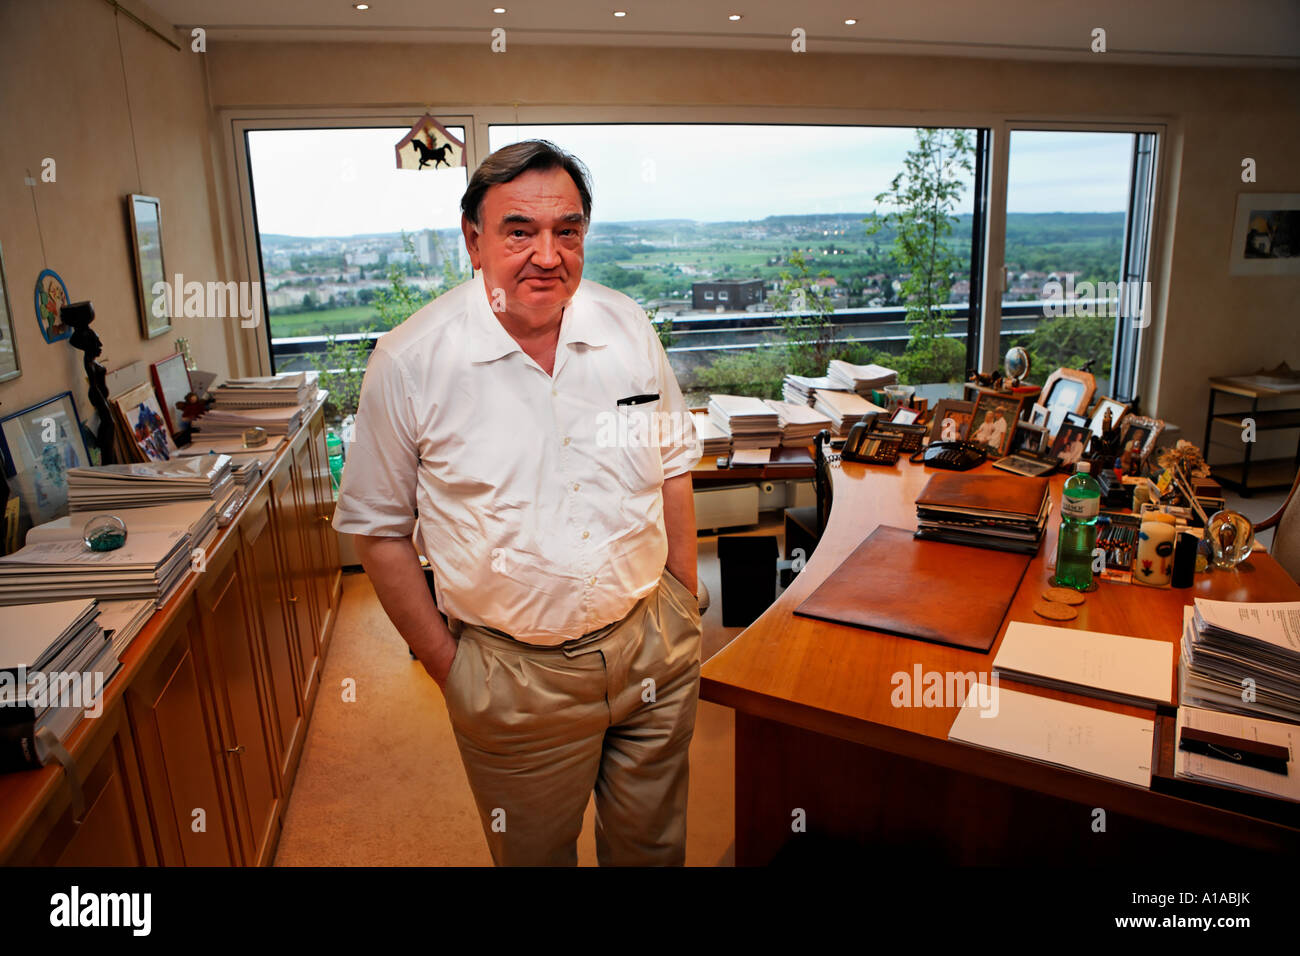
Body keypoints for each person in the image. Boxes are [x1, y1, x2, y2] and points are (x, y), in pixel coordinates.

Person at [332, 140, 704, 866]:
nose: (547, 254)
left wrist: (684, 600)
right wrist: (451, 669)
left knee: (654, 850)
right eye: (519, 230)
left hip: (653, 642)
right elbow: (376, 530)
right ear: (473, 239)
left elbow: (673, 463)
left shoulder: (627, 326)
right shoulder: (410, 362)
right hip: (513, 677)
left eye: (567, 231)